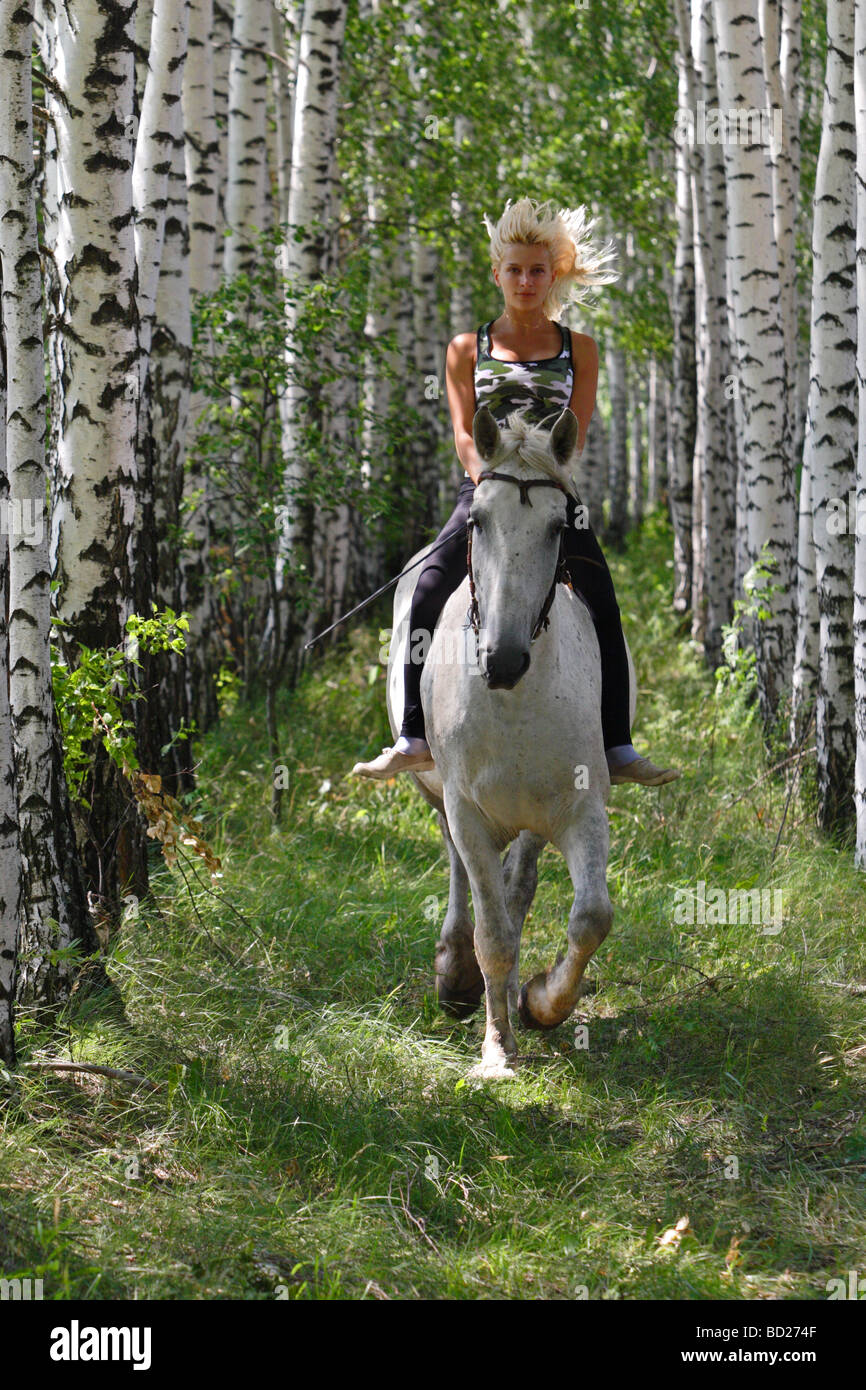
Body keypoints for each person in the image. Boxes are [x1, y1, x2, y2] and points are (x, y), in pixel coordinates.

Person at [352, 197, 679, 787]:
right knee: (426, 587)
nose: (525, 281)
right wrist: (491, 483)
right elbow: (462, 430)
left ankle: (616, 746)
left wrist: (538, 481)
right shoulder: (463, 349)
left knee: (603, 598)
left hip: (553, 492)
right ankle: (412, 736)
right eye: (514, 270)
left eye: (536, 270)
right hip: (486, 488)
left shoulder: (580, 349)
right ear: (497, 273)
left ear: (552, 275)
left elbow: (570, 435)